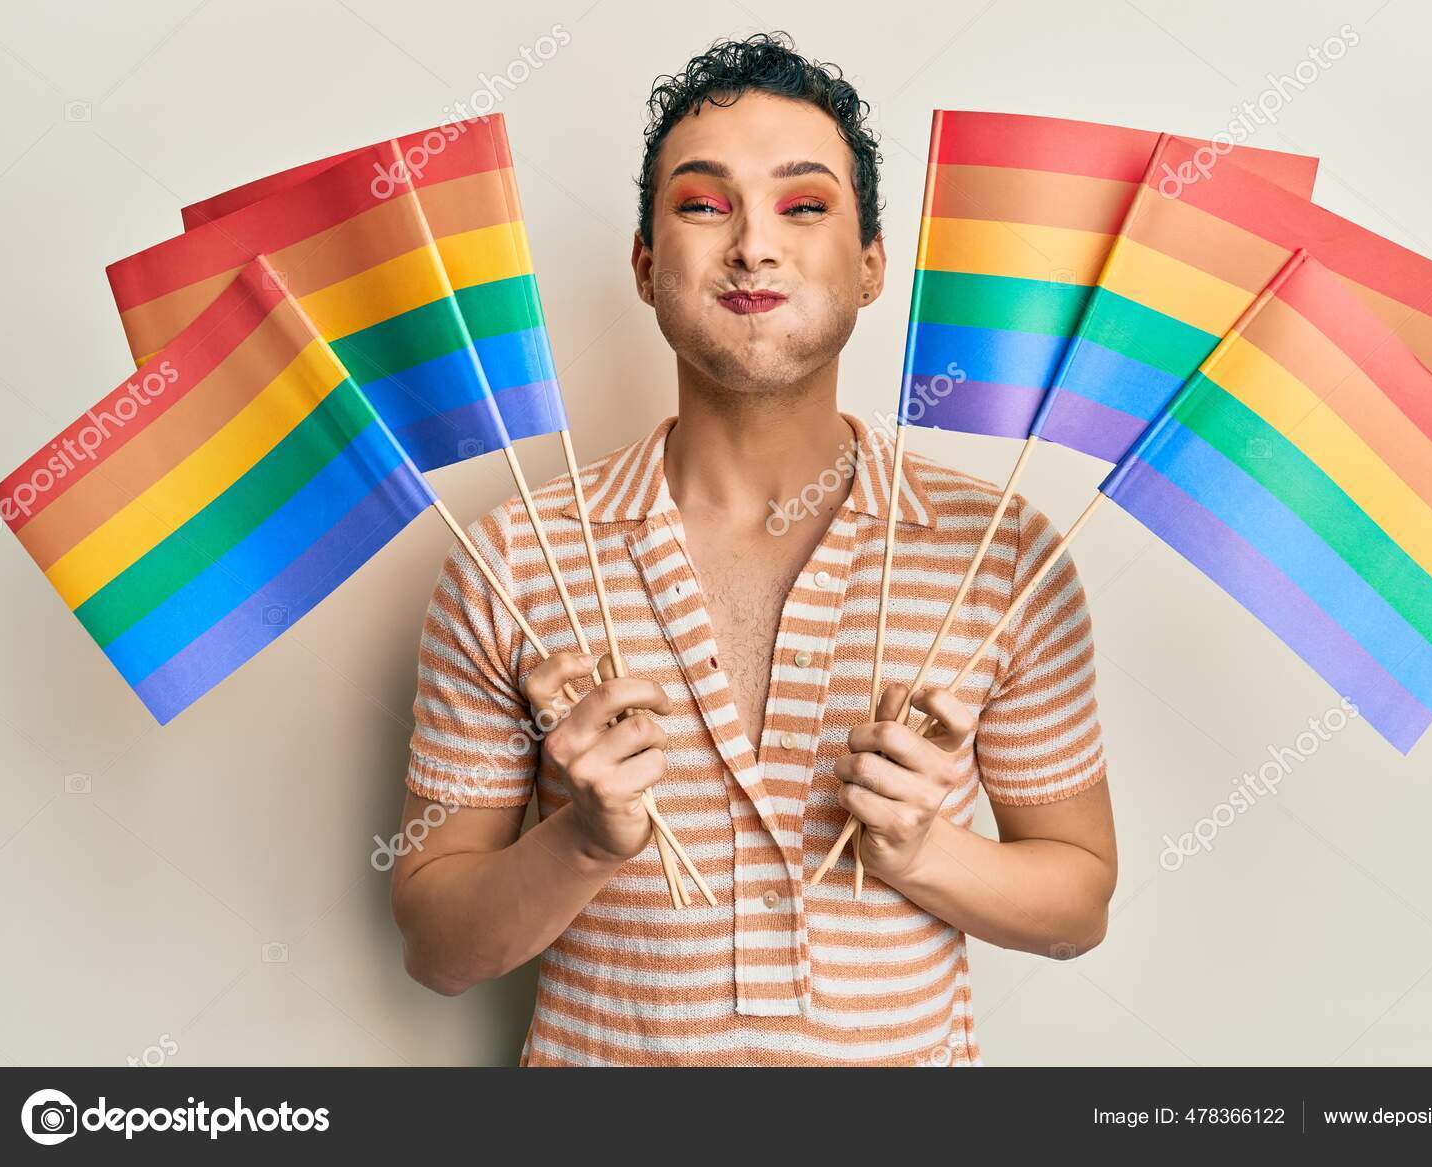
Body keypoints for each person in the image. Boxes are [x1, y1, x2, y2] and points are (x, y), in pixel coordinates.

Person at [390, 31, 1116, 1066]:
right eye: (702, 203)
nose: (752, 246)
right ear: (645, 267)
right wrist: (582, 842)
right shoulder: (512, 556)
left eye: (803, 205)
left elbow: (1077, 906)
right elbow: (438, 950)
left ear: (871, 267)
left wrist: (925, 849)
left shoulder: (1003, 558)